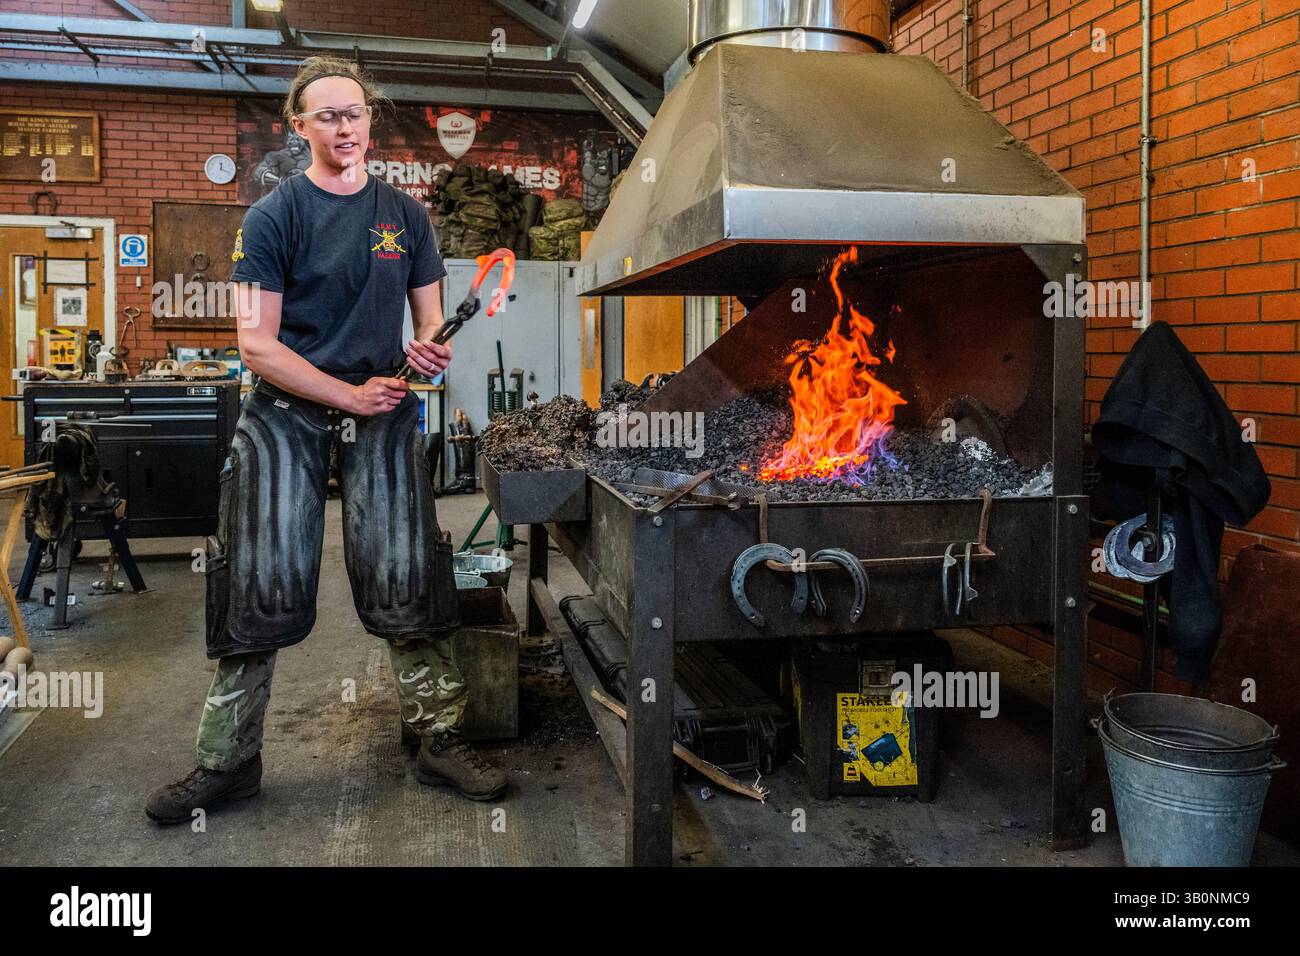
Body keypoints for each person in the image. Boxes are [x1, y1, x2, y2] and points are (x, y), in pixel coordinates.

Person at [146, 56, 507, 825]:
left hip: (380, 410)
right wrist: (346, 393)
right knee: (258, 583)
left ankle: (438, 738)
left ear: (370, 121)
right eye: (328, 116)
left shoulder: (404, 217)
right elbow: (257, 345)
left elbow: (427, 325)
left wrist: (430, 351)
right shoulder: (272, 218)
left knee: (407, 572)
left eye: (356, 113)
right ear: (299, 126)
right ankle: (228, 762)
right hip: (285, 412)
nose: (345, 127)